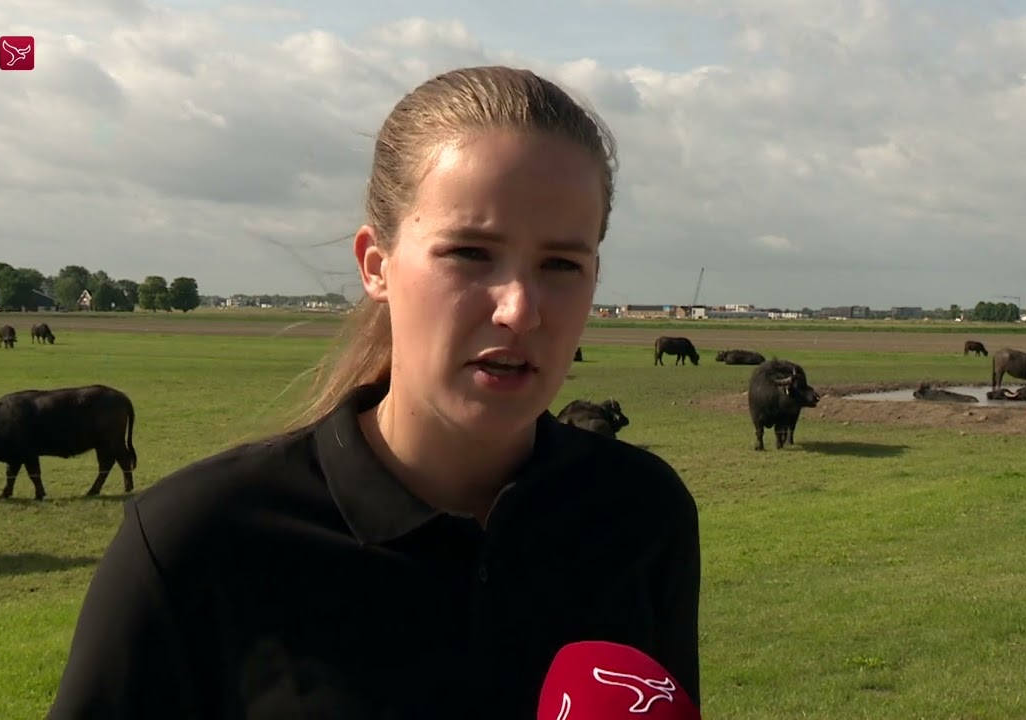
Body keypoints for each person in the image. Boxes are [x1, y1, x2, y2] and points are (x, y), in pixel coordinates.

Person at [46, 65, 701, 719]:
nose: (519, 310)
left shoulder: (640, 514)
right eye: (470, 253)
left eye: (561, 264)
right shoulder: (193, 541)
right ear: (376, 265)